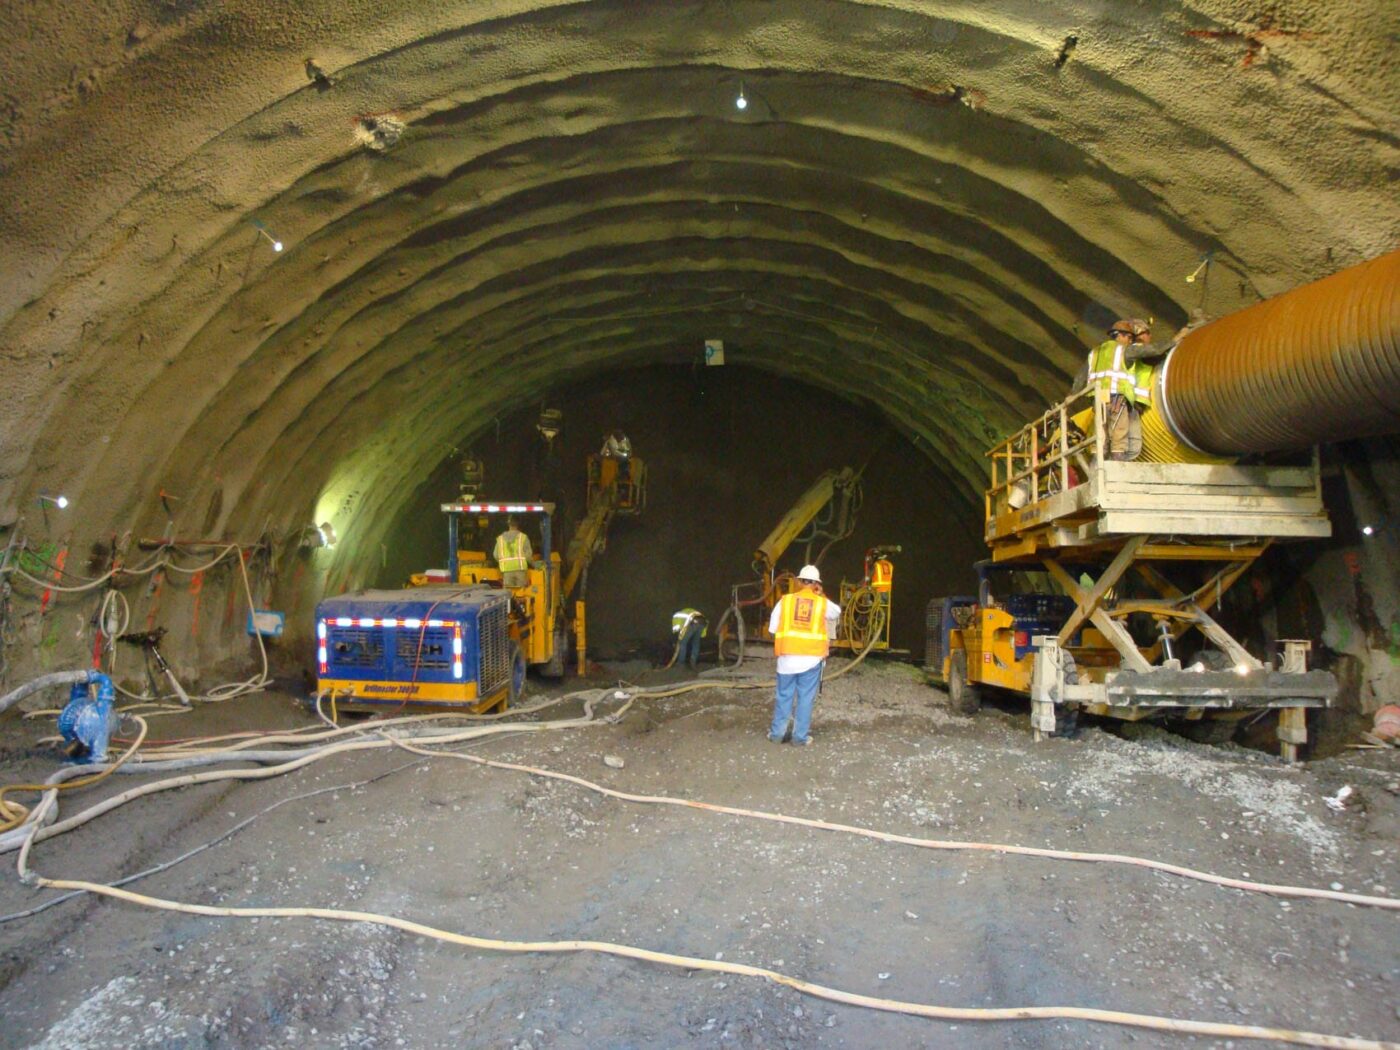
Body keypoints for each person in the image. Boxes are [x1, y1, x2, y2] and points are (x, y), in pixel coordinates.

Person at [768, 564, 841, 747]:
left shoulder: (785, 601)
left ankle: (777, 734)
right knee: (805, 699)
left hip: (786, 660)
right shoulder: (822, 603)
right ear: (817, 584)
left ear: (799, 582)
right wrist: (821, 594)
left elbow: (772, 629)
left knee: (784, 696)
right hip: (811, 660)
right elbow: (837, 612)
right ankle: (799, 738)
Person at [1073, 318, 1161, 462]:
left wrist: (1071, 396)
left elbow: (1080, 377)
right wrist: (1178, 337)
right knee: (1119, 438)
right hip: (1117, 399)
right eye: (1129, 337)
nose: (1131, 341)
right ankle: (1115, 473)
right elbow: (1155, 350)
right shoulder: (1124, 350)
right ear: (1120, 335)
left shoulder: (1095, 352)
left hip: (1099, 400)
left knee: (1100, 439)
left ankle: (1096, 472)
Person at [492, 516, 533, 589]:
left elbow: (495, 555)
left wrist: (502, 562)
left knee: (508, 594)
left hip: (507, 571)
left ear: (508, 525)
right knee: (521, 594)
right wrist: (534, 564)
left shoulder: (500, 538)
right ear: (518, 525)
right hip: (520, 571)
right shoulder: (523, 537)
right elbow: (528, 555)